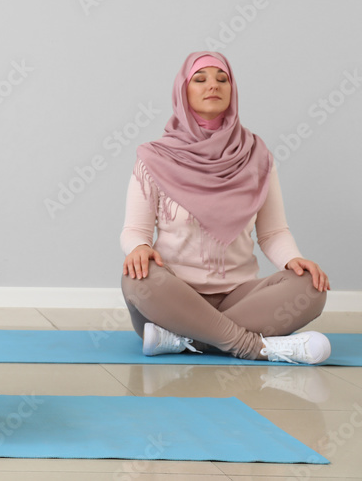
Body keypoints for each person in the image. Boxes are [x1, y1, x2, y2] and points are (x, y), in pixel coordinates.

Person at [120, 52, 330, 364]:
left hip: (242, 297)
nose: (213, 86)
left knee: (310, 287)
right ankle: (256, 348)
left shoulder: (256, 155)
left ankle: (188, 340)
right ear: (183, 91)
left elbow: (272, 232)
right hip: (173, 297)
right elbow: (135, 230)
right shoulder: (155, 158)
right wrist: (139, 247)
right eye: (200, 79)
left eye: (222, 79)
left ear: (232, 91)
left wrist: (294, 260)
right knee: (137, 277)